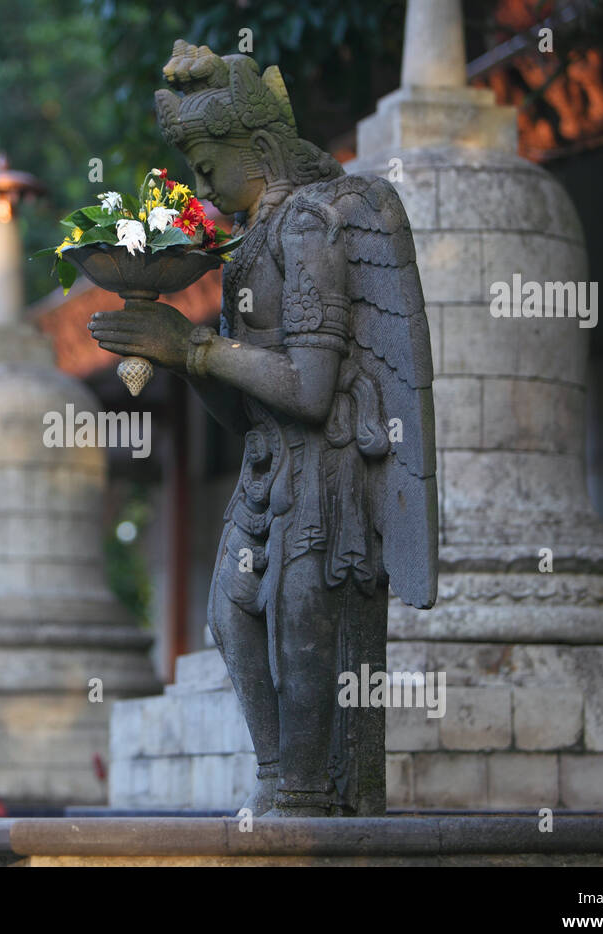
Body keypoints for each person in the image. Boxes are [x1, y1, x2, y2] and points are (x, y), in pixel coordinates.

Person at [88, 41, 438, 816]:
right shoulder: (247, 249)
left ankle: (308, 800)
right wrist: (182, 358)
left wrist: (200, 348)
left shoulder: (313, 225)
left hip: (323, 476)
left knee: (303, 631)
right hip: (264, 469)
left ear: (257, 148)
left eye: (208, 166)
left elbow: (311, 390)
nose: (201, 187)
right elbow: (247, 403)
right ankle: (279, 776)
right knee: (230, 618)